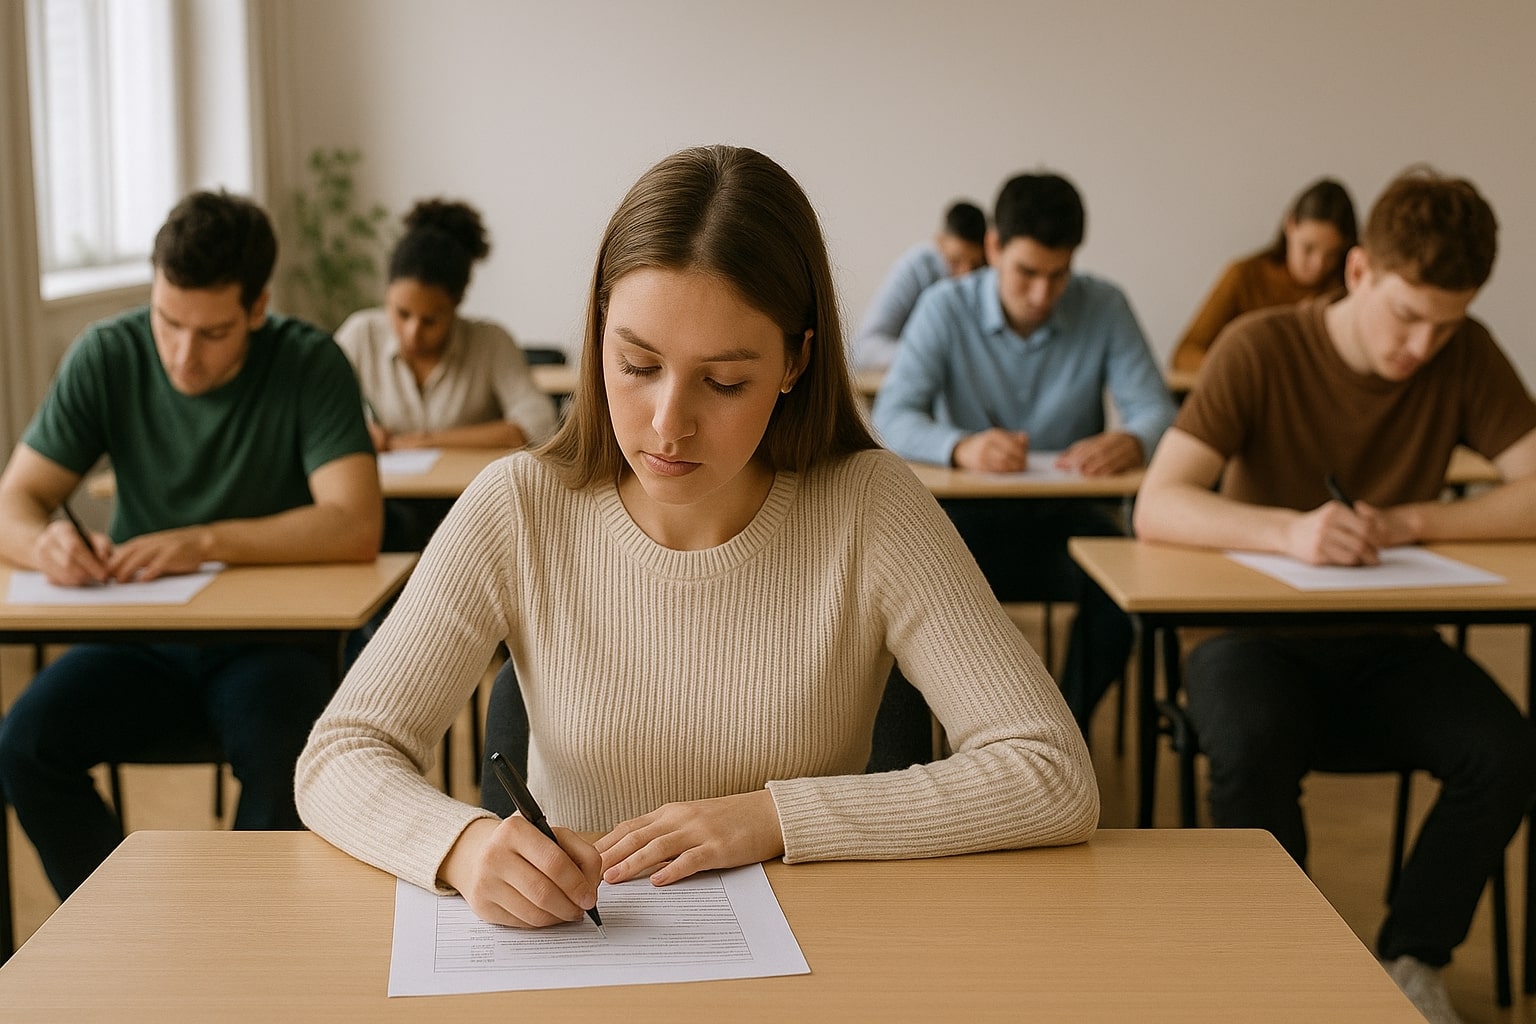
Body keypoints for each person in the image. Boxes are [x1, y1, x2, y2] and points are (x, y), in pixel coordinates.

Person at [296, 145, 1098, 930]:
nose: (668, 425)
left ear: (794, 362)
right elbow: (340, 755)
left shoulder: (871, 507)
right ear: (598, 330)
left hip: (816, 960)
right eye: (638, 365)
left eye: (723, 382)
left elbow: (1050, 771)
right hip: (582, 961)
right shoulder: (520, 506)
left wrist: (774, 818)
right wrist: (465, 849)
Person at [1133, 169, 1536, 1024]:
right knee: (1251, 737)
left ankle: (1411, 961)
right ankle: (1288, 978)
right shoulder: (1260, 345)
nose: (1423, 346)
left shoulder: (1464, 353)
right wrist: (1287, 532)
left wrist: (1412, 521)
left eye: (1446, 323)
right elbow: (1157, 502)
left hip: (1391, 644)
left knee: (1505, 750)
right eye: (1407, 315)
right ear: (1357, 273)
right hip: (1248, 640)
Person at [0, 190, 382, 900]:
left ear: (258, 307)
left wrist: (204, 543)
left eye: (211, 334)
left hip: (269, 642)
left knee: (290, 762)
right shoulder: (108, 354)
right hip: (139, 636)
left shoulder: (308, 363)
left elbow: (355, 524)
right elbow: (13, 500)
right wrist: (42, 543)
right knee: (23, 745)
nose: (182, 355)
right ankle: (116, 921)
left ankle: (236, 953)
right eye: (167, 321)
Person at [872, 171, 1176, 734]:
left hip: (1068, 523)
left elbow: (1159, 411)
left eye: (1059, 276)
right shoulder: (944, 306)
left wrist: (1132, 438)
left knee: (1128, 588)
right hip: (963, 523)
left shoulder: (1104, 305)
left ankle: (1061, 733)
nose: (1042, 294)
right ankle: (950, 760)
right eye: (1027, 273)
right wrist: (960, 447)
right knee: (895, 586)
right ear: (993, 248)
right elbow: (891, 415)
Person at [335, 200, 558, 553]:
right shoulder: (360, 335)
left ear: (456, 304)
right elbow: (317, 416)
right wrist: (355, 429)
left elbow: (539, 423)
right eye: (401, 313)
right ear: (386, 295)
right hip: (384, 515)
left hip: (472, 513)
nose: (411, 333)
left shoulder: (490, 342)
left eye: (430, 320)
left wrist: (423, 441)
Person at [1169, 178, 1356, 374]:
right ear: (1290, 225)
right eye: (1308, 248)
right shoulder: (1244, 275)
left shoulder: (1347, 290)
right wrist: (1238, 373)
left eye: (1331, 254)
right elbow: (1185, 354)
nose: (1318, 265)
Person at [851, 200, 987, 370]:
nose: (965, 276)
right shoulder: (916, 268)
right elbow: (864, 350)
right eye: (955, 262)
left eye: (975, 266)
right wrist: (930, 356)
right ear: (940, 242)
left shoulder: (989, 279)